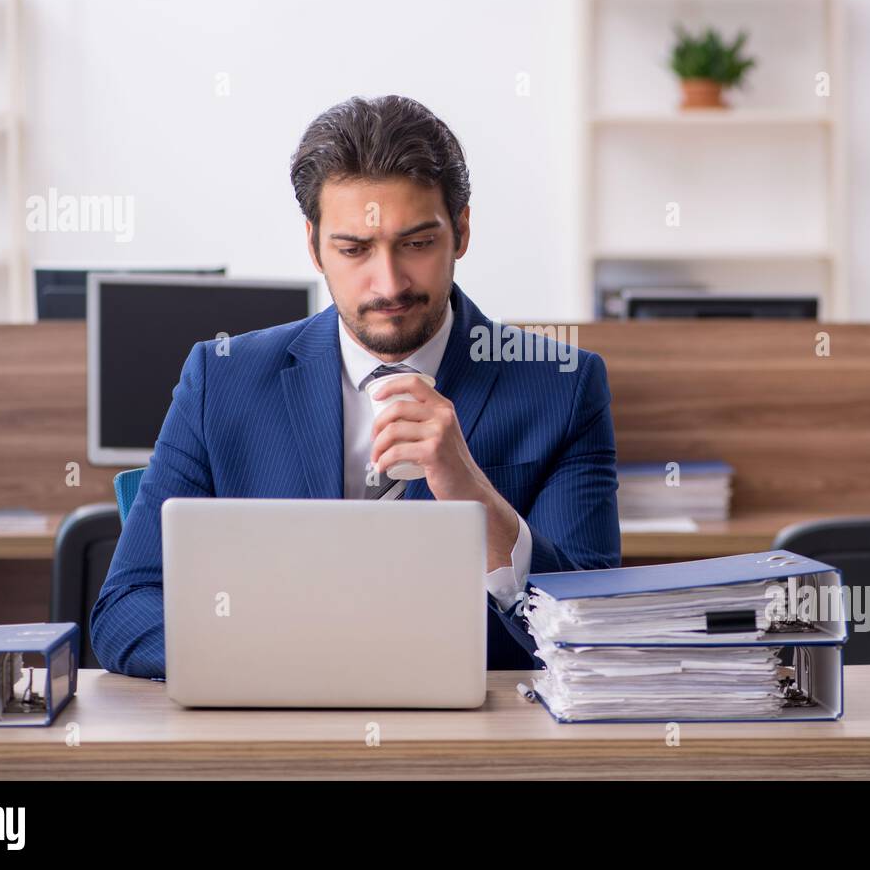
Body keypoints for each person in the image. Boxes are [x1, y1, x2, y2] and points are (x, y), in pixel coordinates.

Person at [90, 94, 621, 678]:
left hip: (467, 747)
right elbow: (124, 611)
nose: (388, 283)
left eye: (416, 243)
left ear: (461, 231)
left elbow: (593, 632)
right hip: (275, 738)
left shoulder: (565, 388)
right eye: (354, 249)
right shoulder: (221, 378)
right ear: (314, 244)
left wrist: (473, 495)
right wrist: (300, 662)